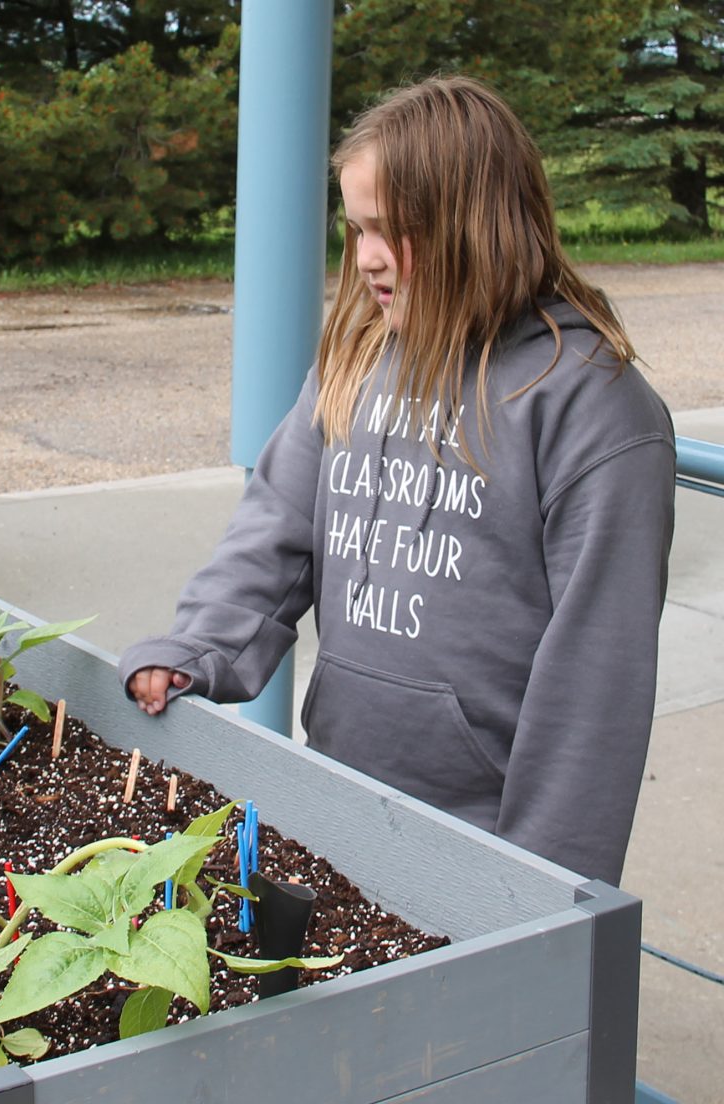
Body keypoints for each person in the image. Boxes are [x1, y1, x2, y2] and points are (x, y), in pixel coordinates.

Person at [120, 76, 674, 887]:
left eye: (393, 231)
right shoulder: (356, 359)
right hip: (337, 805)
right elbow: (275, 529)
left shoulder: (593, 408)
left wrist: (539, 895)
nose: (367, 257)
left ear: (475, 226)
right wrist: (199, 647)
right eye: (356, 230)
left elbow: (596, 690)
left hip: (485, 846)